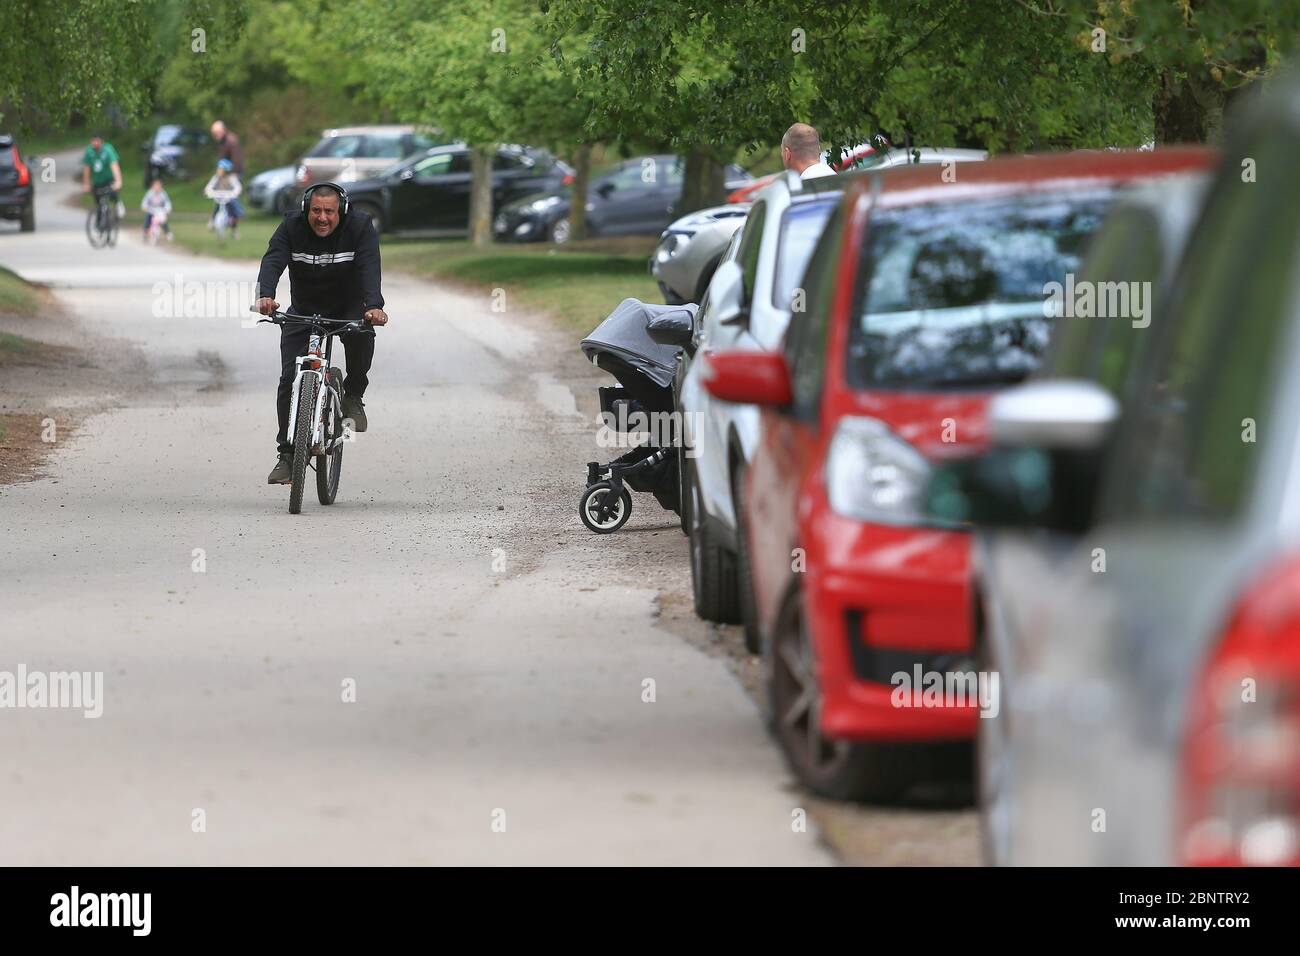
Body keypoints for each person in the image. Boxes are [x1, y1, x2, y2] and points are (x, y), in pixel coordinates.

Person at [253, 182, 388, 485]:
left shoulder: (360, 227)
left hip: (349, 306)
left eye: (329, 211)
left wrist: (373, 306)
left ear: (341, 211)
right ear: (306, 209)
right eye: (316, 210)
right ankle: (287, 456)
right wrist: (265, 295)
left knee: (361, 335)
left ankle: (353, 394)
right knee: (289, 378)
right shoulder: (291, 226)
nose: (323, 218)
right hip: (305, 308)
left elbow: (369, 267)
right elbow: (273, 259)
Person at [82, 133, 124, 219]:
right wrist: (86, 183)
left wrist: (118, 181)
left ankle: (117, 204)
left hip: (108, 178)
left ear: (102, 142)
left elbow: (114, 165)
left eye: (97, 141)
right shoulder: (89, 151)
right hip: (97, 180)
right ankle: (99, 222)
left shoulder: (107, 150)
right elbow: (87, 168)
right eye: (93, 141)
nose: (95, 143)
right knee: (97, 201)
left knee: (113, 193)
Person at [203, 159, 244, 237]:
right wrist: (207, 191)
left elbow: (238, 187)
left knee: (237, 212)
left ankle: (234, 230)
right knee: (216, 207)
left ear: (226, 170)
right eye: (218, 168)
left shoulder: (232, 178)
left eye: (220, 169)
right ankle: (212, 221)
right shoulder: (216, 177)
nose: (218, 170)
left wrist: (237, 192)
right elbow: (210, 186)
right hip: (219, 197)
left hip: (230, 198)